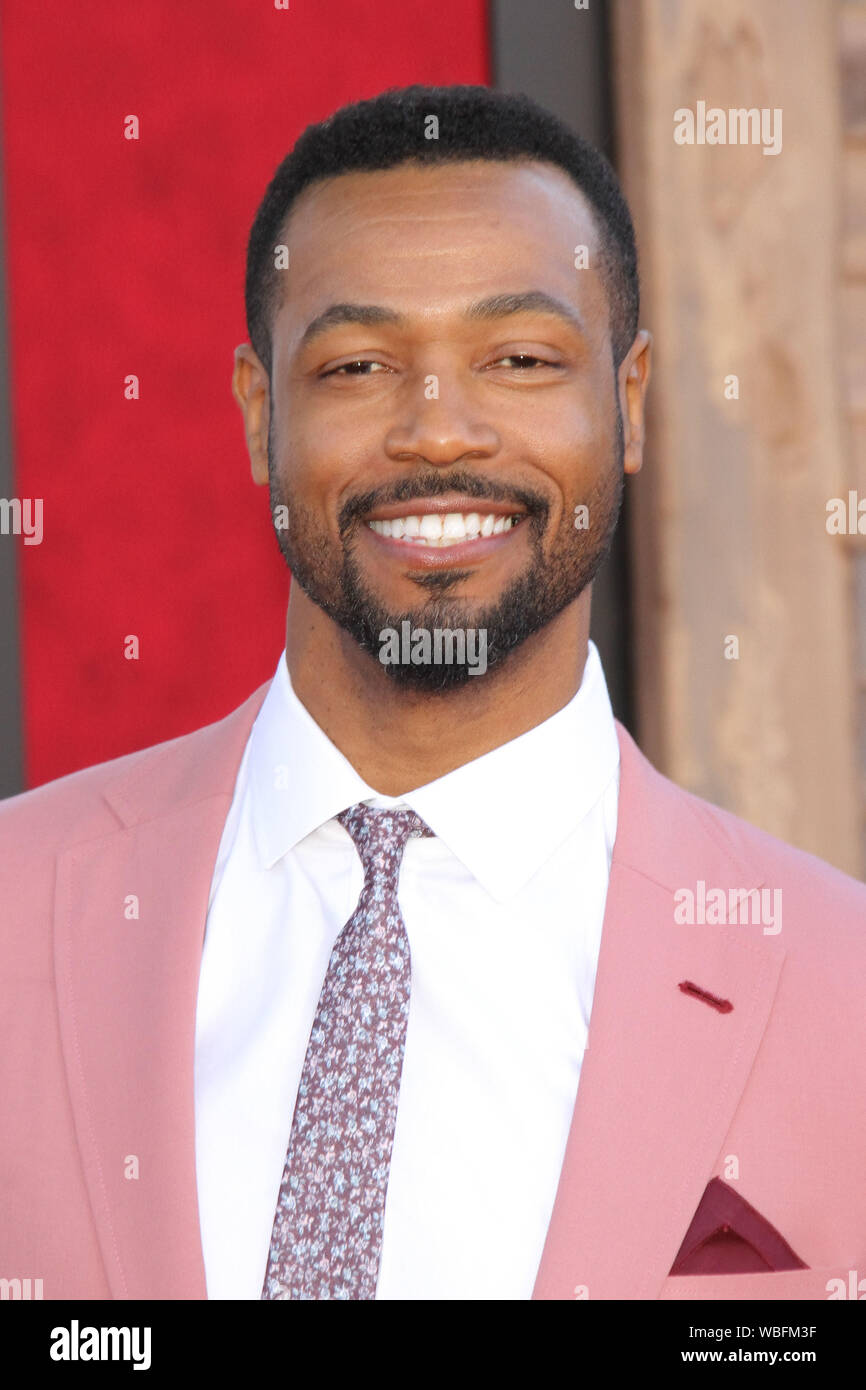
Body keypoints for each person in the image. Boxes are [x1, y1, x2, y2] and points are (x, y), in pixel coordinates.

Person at [2, 84, 864, 1303]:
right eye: (358, 363)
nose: (438, 431)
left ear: (624, 400)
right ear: (261, 416)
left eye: (517, 358)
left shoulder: (840, 990)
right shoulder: (14, 912)